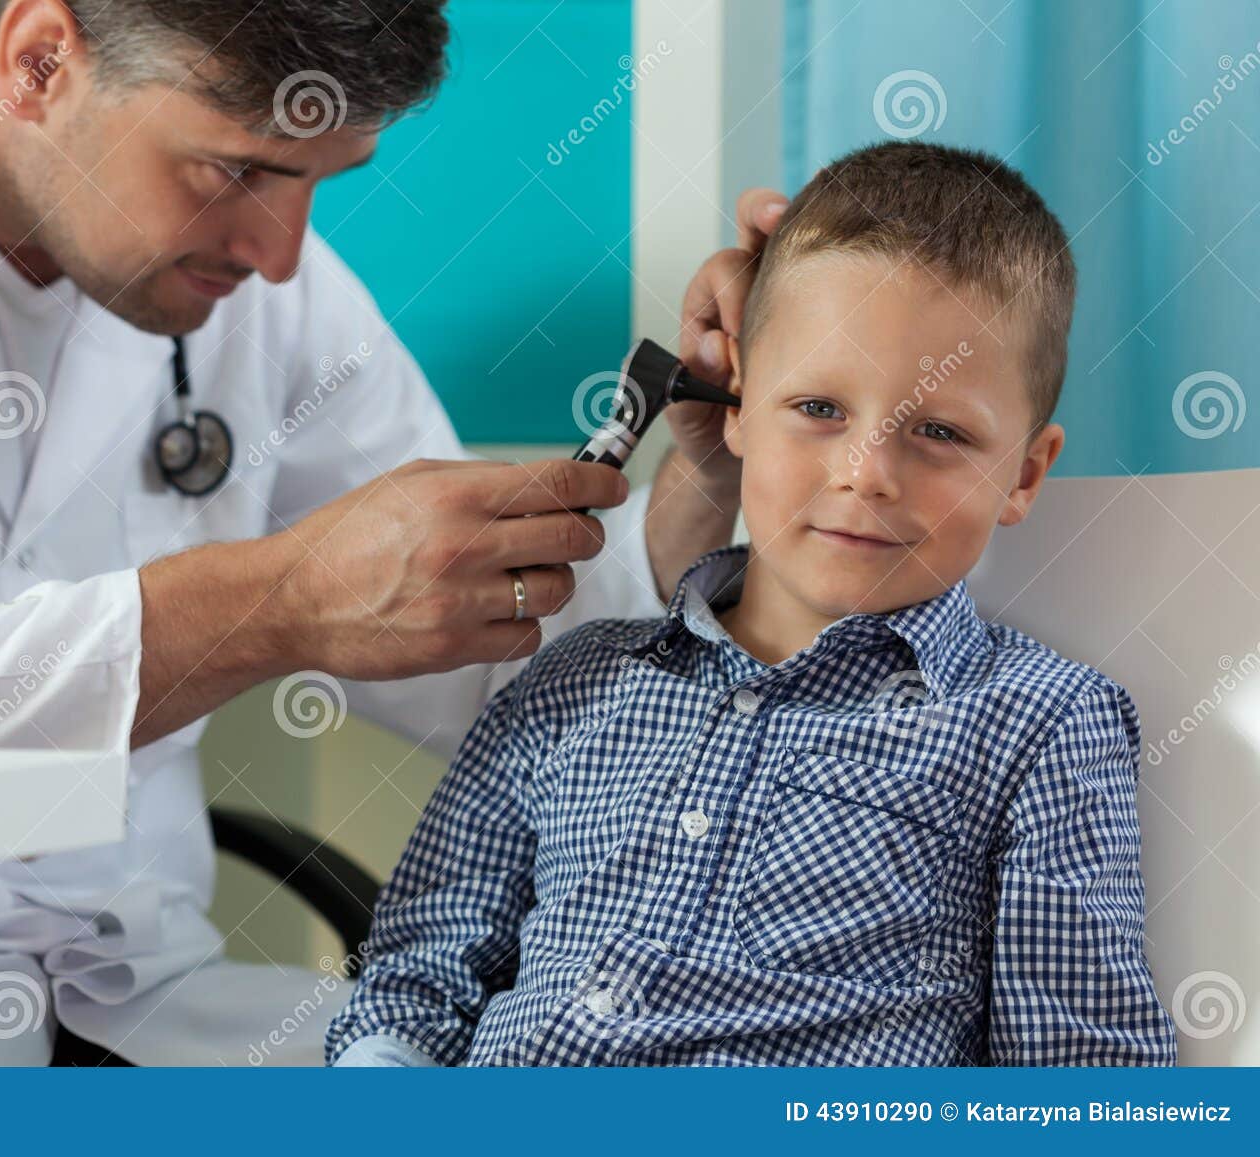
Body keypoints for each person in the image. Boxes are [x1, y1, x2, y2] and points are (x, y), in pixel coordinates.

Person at [0, 0, 748, 1065]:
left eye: (317, 182)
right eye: (238, 172)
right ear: (39, 61)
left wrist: (703, 482)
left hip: (140, 998)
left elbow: (497, 670)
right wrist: (273, 604)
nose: (279, 255)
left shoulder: (262, 290)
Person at [325, 141, 1180, 1067]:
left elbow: (1085, 1073)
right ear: (734, 408)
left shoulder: (1042, 724)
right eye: (818, 408)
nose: (865, 475)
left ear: (1025, 472)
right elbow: (418, 969)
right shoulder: (568, 682)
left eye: (938, 431)